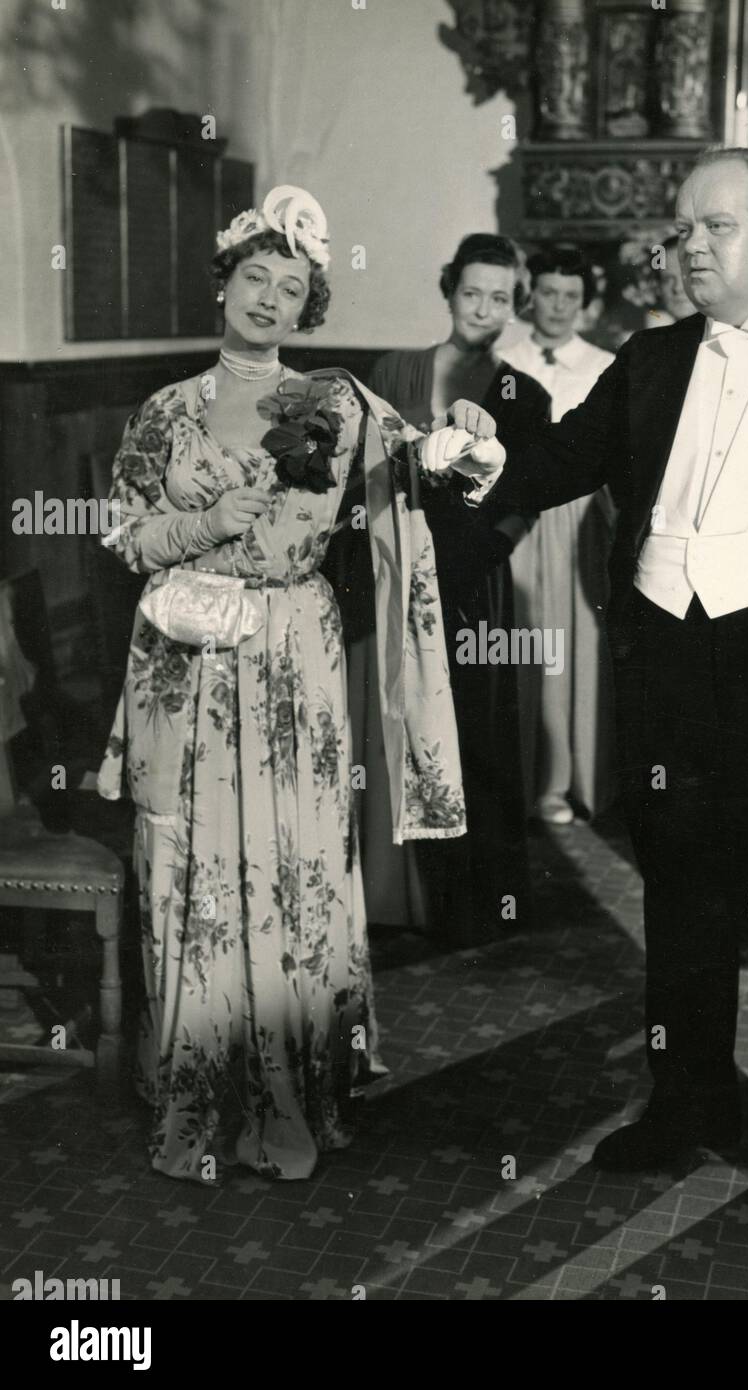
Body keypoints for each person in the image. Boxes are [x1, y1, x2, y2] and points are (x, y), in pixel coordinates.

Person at [457, 148, 748, 1226]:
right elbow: (555, 463)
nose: (692, 248)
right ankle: (686, 1101)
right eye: (682, 230)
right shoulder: (651, 358)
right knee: (684, 909)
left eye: (715, 228)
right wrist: (480, 452)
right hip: (671, 671)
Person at [96, 188, 498, 1182]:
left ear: (310, 305)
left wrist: (464, 439)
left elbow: (426, 465)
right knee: (187, 874)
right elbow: (126, 536)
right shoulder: (166, 411)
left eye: (293, 286)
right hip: (182, 664)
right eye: (255, 279)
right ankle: (197, 1101)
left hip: (294, 660)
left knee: (293, 872)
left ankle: (293, 1100)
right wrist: (205, 525)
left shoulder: (335, 401)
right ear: (222, 284)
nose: (270, 299)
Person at [365, 233, 551, 944]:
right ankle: (396, 896)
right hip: (395, 571)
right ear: (448, 290)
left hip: (473, 582)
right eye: (470, 292)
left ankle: (473, 906)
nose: (482, 308)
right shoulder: (393, 370)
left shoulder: (523, 394)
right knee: (396, 720)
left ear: (515, 306)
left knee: (473, 734)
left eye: (499, 297)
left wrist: (471, 556)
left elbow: (524, 497)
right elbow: (367, 470)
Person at [501, 246, 617, 824]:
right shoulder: (504, 358)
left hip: (577, 521)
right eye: (548, 293)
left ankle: (574, 782)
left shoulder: (603, 364)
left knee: (575, 646)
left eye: (571, 296)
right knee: (521, 639)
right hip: (518, 518)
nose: (558, 306)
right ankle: (522, 781)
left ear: (585, 304)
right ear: (531, 296)